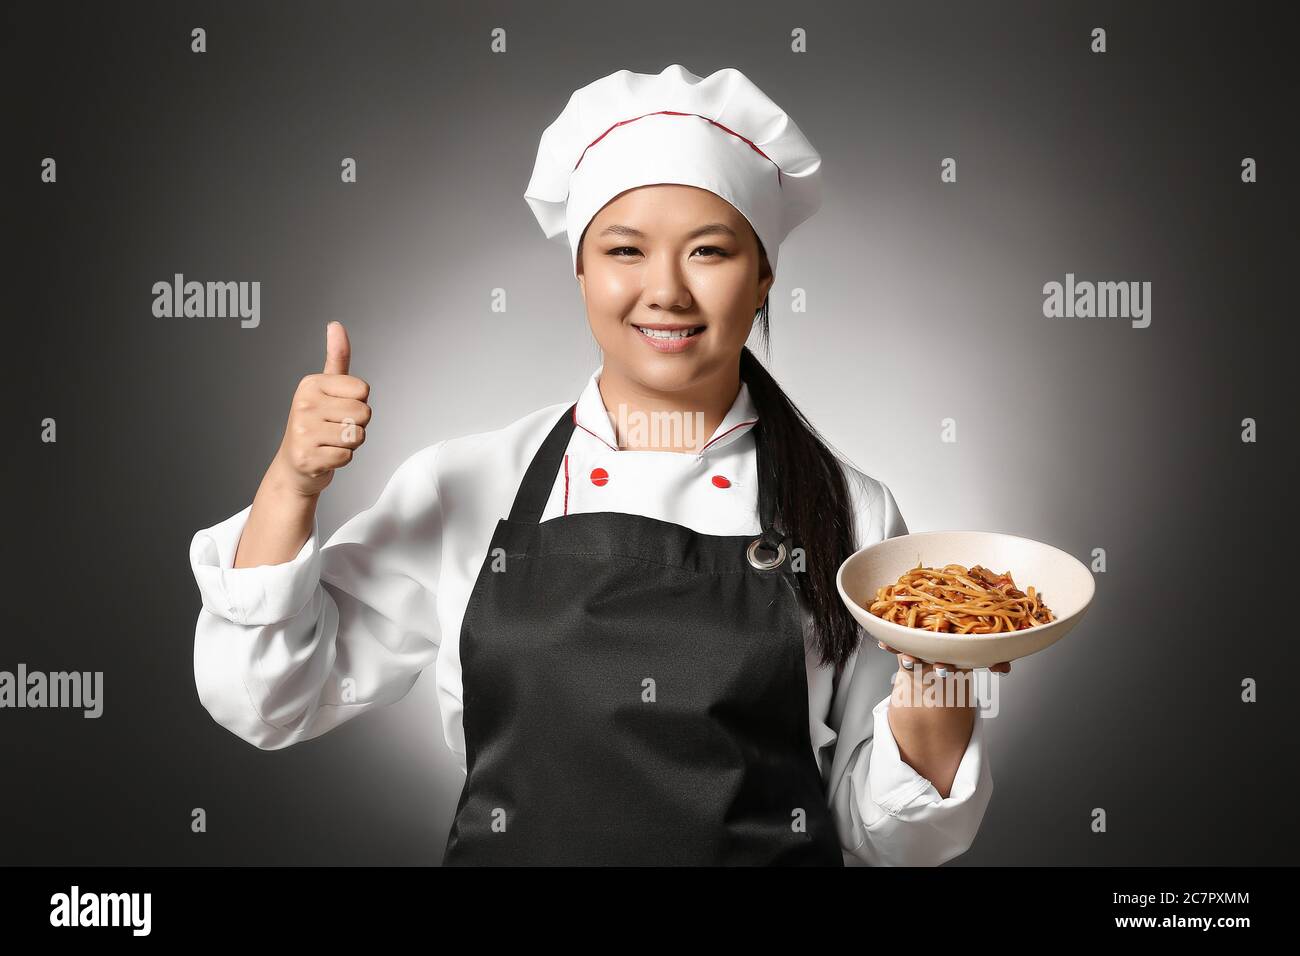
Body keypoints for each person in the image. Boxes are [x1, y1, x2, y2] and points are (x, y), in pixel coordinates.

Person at [189, 63, 1008, 866]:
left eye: (709, 253)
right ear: (579, 267)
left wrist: (943, 676)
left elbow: (893, 837)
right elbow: (267, 701)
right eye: (624, 250)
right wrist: (290, 486)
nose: (666, 292)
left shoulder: (850, 512)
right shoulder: (470, 484)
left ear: (763, 278)